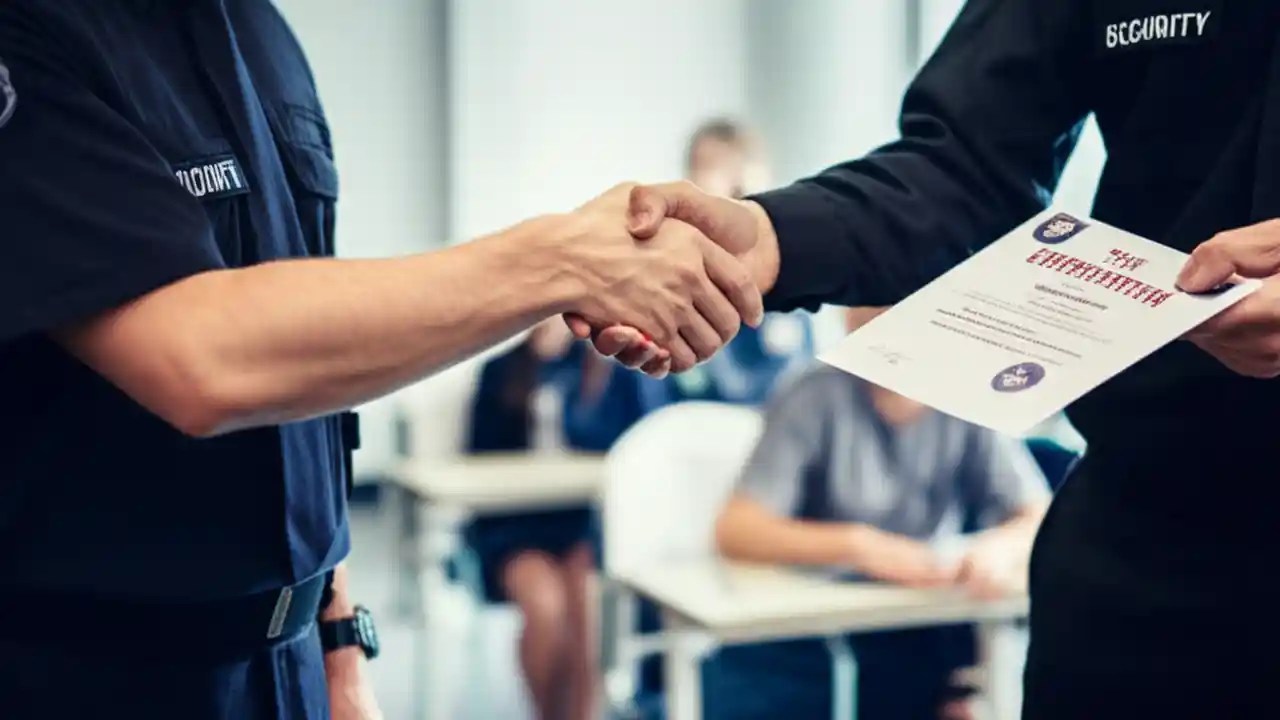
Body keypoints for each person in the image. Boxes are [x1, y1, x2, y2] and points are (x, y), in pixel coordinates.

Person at [0, 3, 762, 718]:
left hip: (290, 664)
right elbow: (202, 361)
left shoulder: (262, 35)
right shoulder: (34, 31)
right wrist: (563, 259)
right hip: (92, 675)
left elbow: (314, 391)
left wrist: (340, 648)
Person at [576, 1, 1280, 715]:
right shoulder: (817, 400)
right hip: (1145, 544)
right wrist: (771, 233)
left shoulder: (959, 415)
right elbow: (964, 164)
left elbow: (1018, 510)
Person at [705, 306, 1049, 720]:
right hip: (813, 639)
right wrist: (857, 546)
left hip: (925, 630)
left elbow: (1034, 513)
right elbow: (738, 529)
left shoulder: (968, 397)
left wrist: (996, 550)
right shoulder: (812, 394)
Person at [462, 320, 670, 720]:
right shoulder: (500, 370)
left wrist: (599, 363)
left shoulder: (595, 365)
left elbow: (623, 440)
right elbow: (477, 461)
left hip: (577, 520)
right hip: (514, 525)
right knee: (545, 609)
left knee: (586, 610)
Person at [673, 118, 815, 405]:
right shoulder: (676, 279)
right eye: (709, 168)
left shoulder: (787, 282)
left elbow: (794, 381)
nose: (724, 184)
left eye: (734, 169)